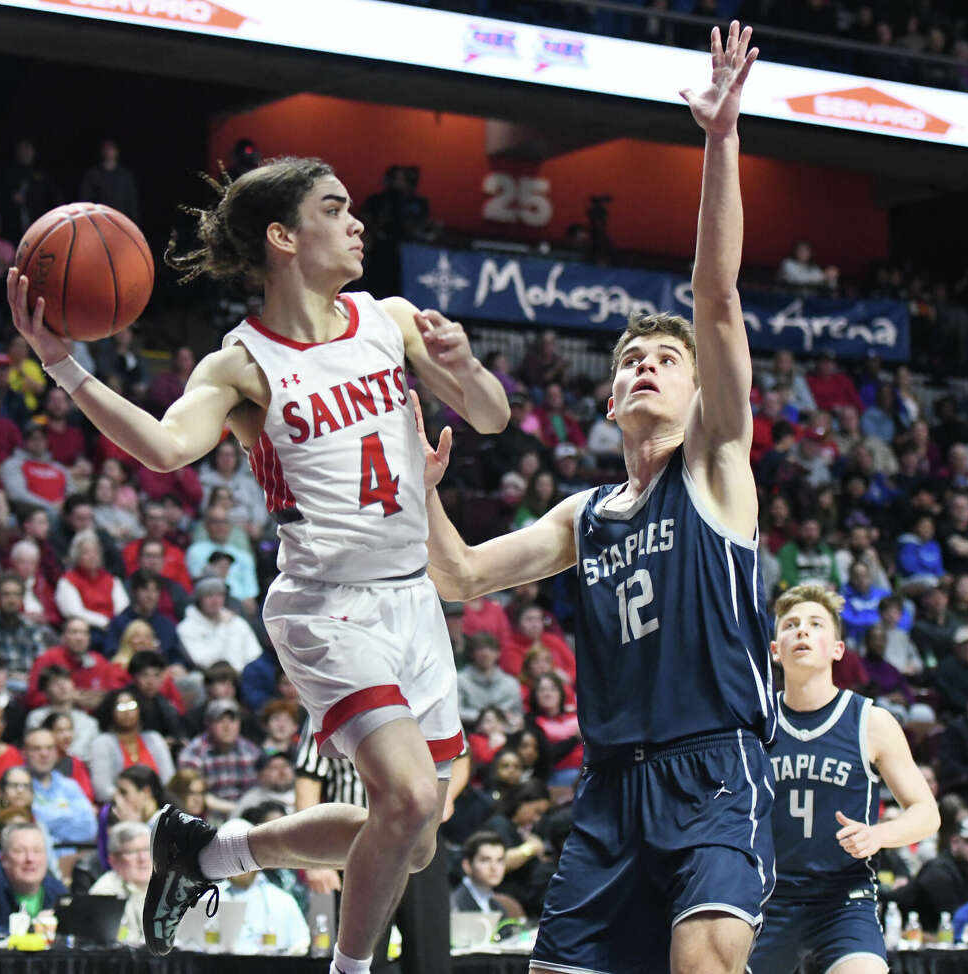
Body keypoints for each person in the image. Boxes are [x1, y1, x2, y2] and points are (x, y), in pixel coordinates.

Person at [9, 146, 508, 970]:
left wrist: (465, 367)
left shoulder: (390, 317)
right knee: (408, 795)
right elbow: (168, 448)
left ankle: (209, 854)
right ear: (283, 235)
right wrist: (64, 367)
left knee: (414, 838)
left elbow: (489, 417)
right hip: (325, 603)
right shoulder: (242, 363)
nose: (357, 225)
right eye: (336, 209)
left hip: (412, 600)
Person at [419, 24, 774, 974]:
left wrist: (720, 139)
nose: (648, 368)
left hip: (713, 769)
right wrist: (417, 487)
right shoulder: (586, 516)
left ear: (701, 394)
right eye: (632, 363)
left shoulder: (715, 469)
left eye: (666, 360)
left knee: (706, 959)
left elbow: (719, 298)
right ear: (610, 398)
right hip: (612, 788)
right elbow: (457, 577)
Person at [748, 585, 939, 973]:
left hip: (844, 901)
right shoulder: (753, 723)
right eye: (790, 625)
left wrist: (879, 835)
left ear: (837, 649)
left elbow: (927, 813)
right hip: (767, 900)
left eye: (815, 624)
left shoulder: (872, 721)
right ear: (774, 649)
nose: (802, 631)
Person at [0, 821, 66, 941]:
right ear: (3, 858)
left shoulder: (57, 891)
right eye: (19, 851)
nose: (30, 858)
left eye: (37, 851)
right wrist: (30, 930)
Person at [89, 687, 175, 804]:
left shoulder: (154, 738)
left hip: (158, 806)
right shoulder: (102, 743)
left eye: (131, 706)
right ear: (111, 711)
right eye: (121, 707)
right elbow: (102, 790)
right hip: (119, 808)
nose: (127, 712)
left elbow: (169, 781)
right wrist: (135, 802)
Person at [21, 727, 97, 848]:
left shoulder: (70, 785)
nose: (44, 754)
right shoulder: (17, 785)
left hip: (73, 861)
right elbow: (24, 828)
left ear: (56, 752)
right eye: (36, 749)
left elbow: (89, 828)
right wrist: (67, 817)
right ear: (24, 753)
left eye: (49, 748)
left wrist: (47, 825)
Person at [177, 575, 263, 671]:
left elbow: (255, 653)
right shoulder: (186, 628)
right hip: (211, 678)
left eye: (219, 595)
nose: (215, 601)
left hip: (243, 676)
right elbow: (203, 661)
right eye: (209, 595)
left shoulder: (236, 621)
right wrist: (224, 628)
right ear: (199, 600)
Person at [88, 820, 151, 946]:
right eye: (132, 852)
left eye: (147, 849)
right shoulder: (103, 893)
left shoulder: (169, 886)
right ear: (113, 861)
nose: (143, 859)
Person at [450, 830, 523, 917]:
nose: (494, 868)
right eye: (485, 860)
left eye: (499, 860)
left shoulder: (498, 906)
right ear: (467, 865)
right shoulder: (454, 905)